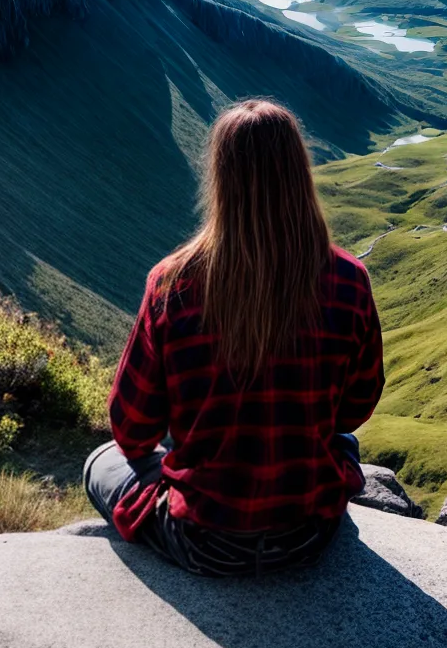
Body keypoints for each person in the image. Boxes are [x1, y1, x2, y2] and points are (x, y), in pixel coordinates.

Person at [83, 100, 385, 578]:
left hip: (204, 541)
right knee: (343, 440)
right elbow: (353, 410)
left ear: (221, 177)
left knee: (102, 461)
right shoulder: (348, 279)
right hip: (309, 535)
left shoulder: (171, 283)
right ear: (299, 173)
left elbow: (131, 429)